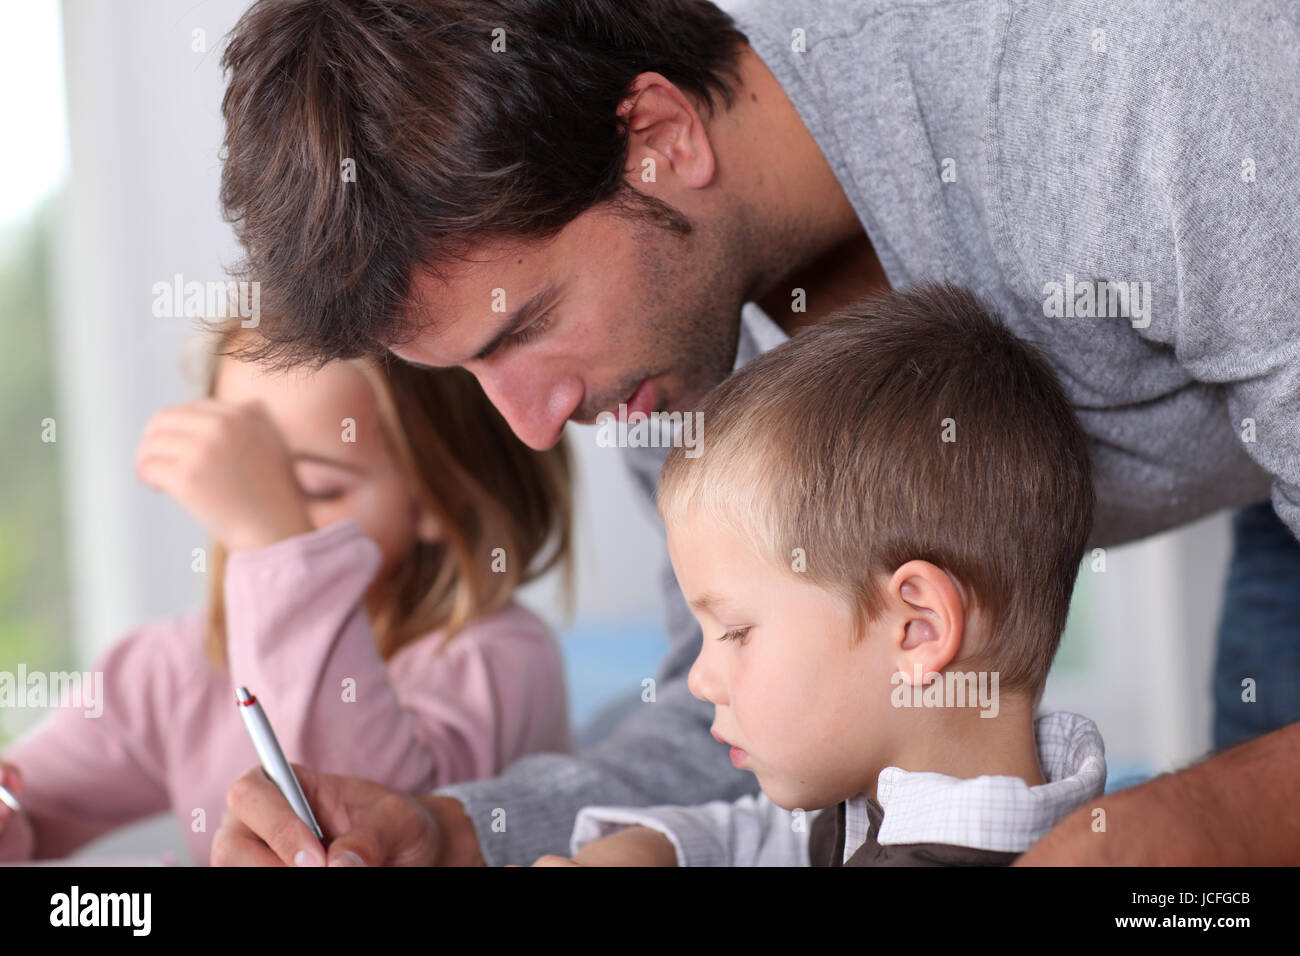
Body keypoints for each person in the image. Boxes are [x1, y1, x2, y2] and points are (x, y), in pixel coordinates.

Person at [210, 0, 1300, 866]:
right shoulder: (668, 360)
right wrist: (457, 832)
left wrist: (1195, 823)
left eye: (523, 328)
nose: (535, 426)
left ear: (662, 137)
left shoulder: (1137, 95)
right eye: (468, 372)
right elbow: (746, 722)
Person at [536, 287, 1107, 867]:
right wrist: (639, 852)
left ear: (918, 628)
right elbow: (762, 837)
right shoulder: (874, 795)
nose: (702, 681)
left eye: (735, 631)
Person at [0, 320, 573, 864]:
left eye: (314, 488)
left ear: (438, 493)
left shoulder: (498, 659)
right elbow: (31, 805)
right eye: (249, 483)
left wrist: (276, 543)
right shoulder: (173, 670)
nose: (267, 512)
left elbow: (368, 836)